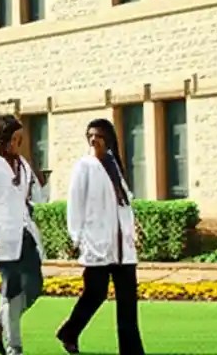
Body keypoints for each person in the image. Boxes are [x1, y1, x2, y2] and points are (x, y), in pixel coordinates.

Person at [56, 119, 146, 355]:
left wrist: (132, 230)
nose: (94, 140)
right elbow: (75, 203)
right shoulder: (84, 166)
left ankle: (132, 351)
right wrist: (76, 238)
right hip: (96, 243)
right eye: (90, 136)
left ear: (109, 139)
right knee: (95, 294)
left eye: (99, 136)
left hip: (122, 247)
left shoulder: (114, 164)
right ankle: (70, 331)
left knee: (128, 303)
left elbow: (124, 203)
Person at [0, 115, 48, 355]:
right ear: (1, 139)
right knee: (12, 289)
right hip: (0, 238)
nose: (16, 144)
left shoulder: (23, 164)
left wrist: (41, 182)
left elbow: (38, 198)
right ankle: (14, 347)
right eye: (13, 139)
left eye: (19, 140)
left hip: (25, 234)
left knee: (34, 286)